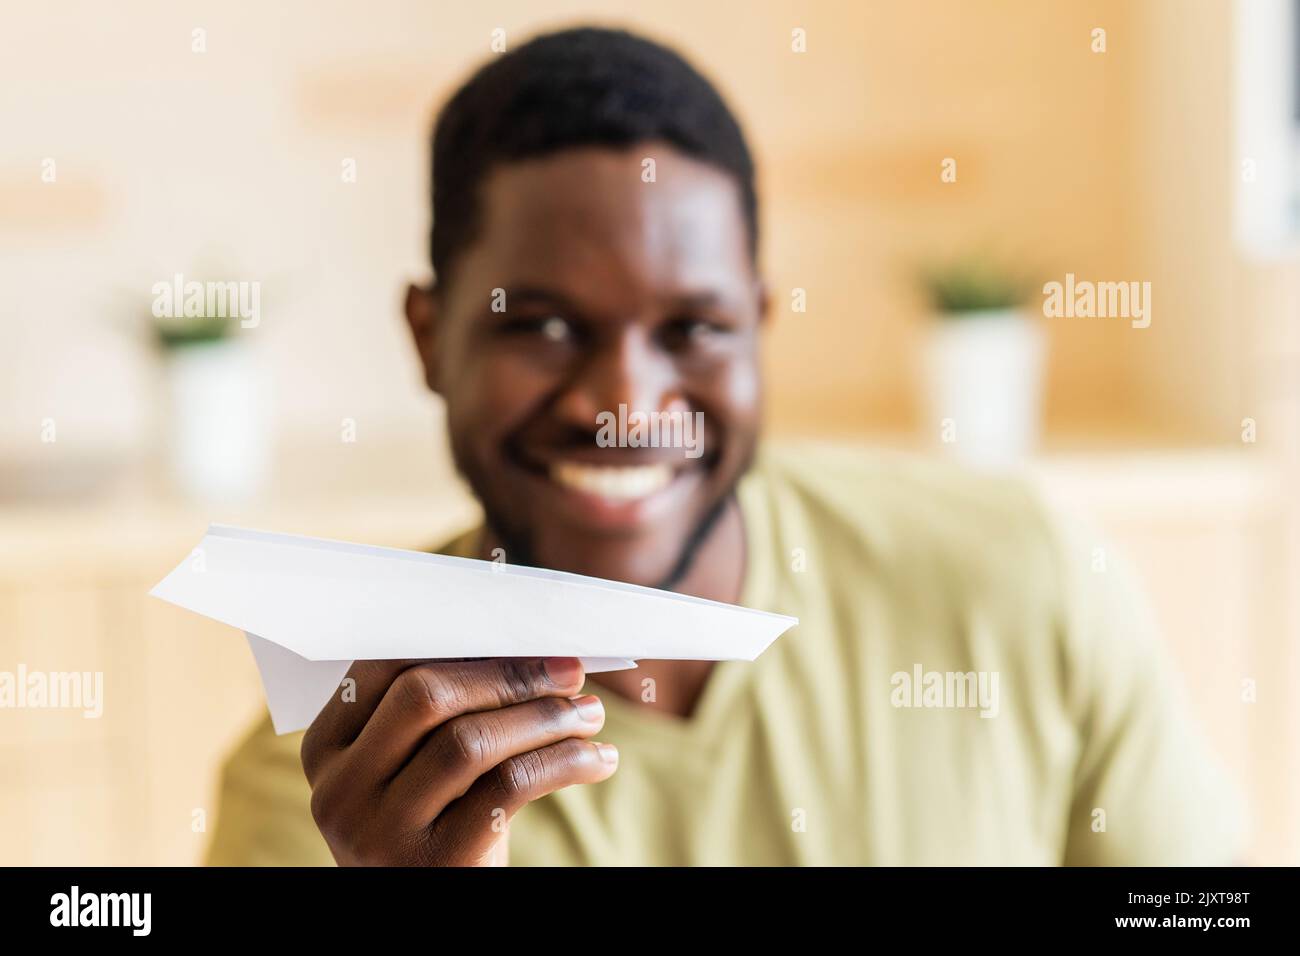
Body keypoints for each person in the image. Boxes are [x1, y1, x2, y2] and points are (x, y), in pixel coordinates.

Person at [206, 26, 1244, 866]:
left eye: (691, 328)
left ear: (757, 326)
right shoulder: (338, 782)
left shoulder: (1021, 580)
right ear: (431, 339)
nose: (623, 402)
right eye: (544, 325)